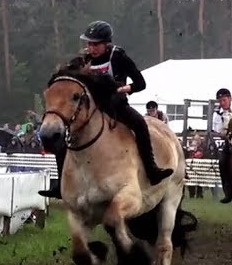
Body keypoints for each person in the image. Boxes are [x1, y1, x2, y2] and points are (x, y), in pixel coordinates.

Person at [39, 20, 173, 199]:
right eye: (89, 44)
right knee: (63, 135)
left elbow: (141, 83)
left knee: (140, 124)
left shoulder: (118, 57)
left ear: (106, 44)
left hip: (115, 104)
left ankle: (152, 170)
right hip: (89, 108)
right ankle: (60, 184)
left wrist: (124, 88)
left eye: (95, 44)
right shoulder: (82, 60)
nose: (91, 48)